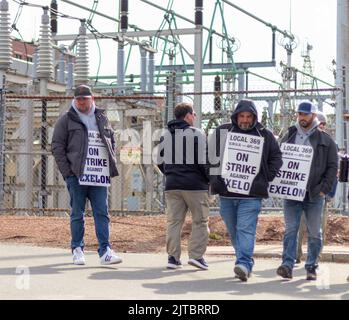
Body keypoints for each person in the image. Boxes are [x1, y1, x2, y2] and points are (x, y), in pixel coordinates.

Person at [209, 99, 283, 281]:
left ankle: (243, 263)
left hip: (251, 195)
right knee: (234, 231)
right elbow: (209, 156)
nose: (245, 120)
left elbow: (276, 158)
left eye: (248, 116)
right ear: (236, 116)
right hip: (227, 193)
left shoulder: (265, 135)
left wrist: (265, 177)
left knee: (245, 228)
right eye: (241, 116)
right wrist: (214, 178)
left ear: (254, 117)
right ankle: (244, 260)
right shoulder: (222, 132)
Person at [51, 84, 122, 265]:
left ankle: (105, 251)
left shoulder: (101, 117)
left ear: (92, 99)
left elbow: (111, 139)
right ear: (75, 100)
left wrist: (107, 164)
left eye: (85, 99)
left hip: (98, 175)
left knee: (102, 213)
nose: (82, 103)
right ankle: (77, 249)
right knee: (77, 213)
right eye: (79, 100)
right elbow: (57, 147)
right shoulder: (66, 120)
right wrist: (68, 172)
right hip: (76, 176)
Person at [277, 101, 338, 280]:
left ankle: (311, 266)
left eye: (306, 114)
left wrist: (323, 189)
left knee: (314, 232)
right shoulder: (288, 135)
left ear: (314, 115)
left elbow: (333, 166)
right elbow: (277, 158)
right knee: (290, 230)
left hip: (314, 194)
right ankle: (287, 265)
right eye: (300, 114)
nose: (302, 117)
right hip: (291, 193)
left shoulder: (325, 140)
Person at [157, 102, 210, 270]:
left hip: (173, 185)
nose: (194, 116)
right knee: (200, 221)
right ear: (187, 116)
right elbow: (204, 161)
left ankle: (173, 258)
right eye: (193, 114)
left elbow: (159, 161)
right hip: (194, 185)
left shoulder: (166, 135)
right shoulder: (197, 134)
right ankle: (196, 256)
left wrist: (171, 173)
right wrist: (208, 179)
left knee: (174, 221)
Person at [296, 110, 337, 263]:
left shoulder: (330, 143)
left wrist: (327, 192)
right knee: (299, 226)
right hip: (301, 193)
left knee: (319, 229)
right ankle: (296, 255)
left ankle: (315, 257)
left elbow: (333, 171)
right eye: (320, 123)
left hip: (321, 194)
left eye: (324, 124)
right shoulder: (301, 142)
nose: (322, 126)